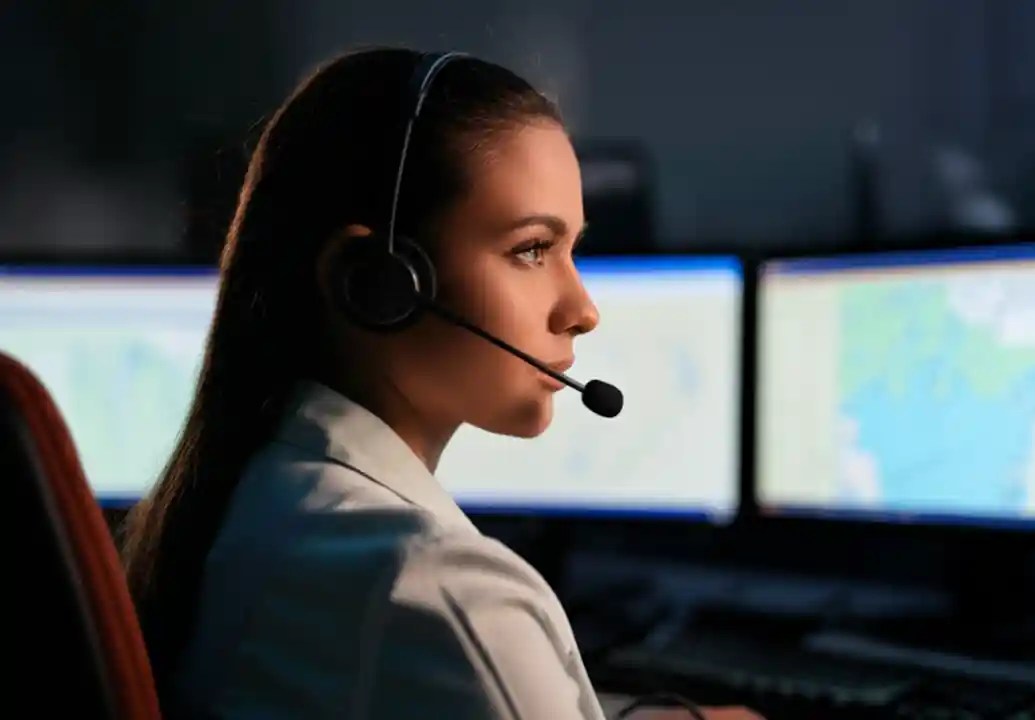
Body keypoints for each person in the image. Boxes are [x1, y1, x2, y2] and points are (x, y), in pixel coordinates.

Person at [119, 47, 760, 720]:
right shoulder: (440, 588)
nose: (583, 309)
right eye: (531, 250)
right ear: (378, 282)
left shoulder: (263, 493)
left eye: (572, 250)